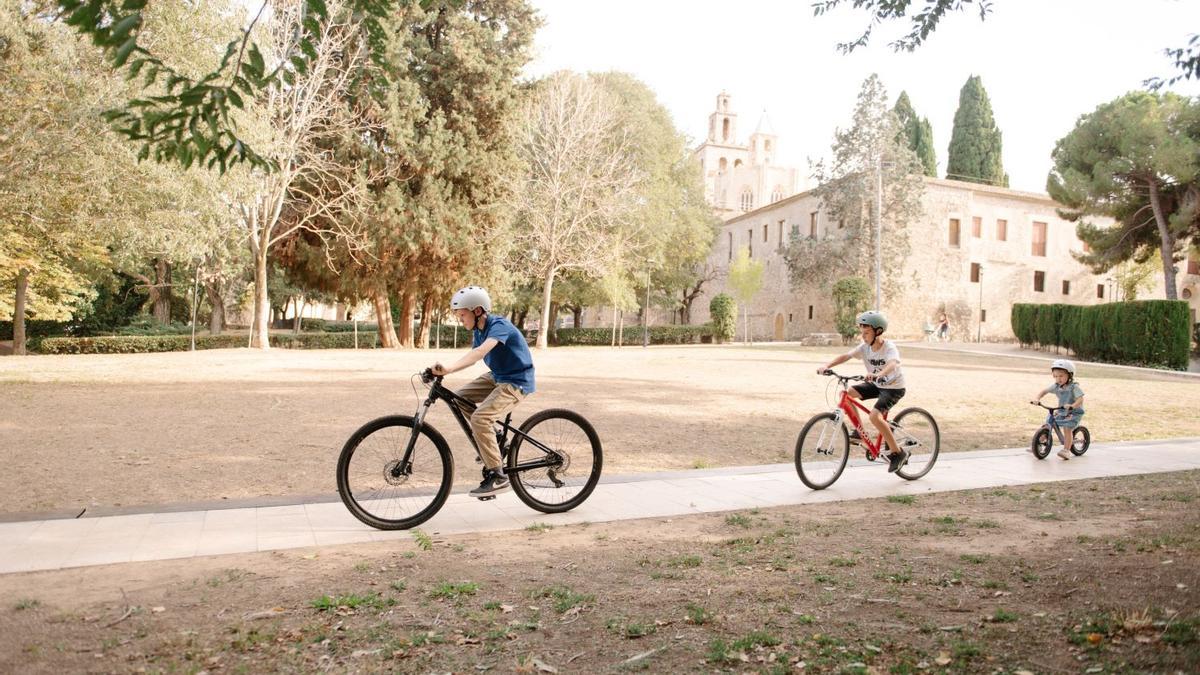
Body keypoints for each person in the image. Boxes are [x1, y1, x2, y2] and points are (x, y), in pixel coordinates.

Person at [431, 286, 535, 497]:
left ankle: (498, 476)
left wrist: (449, 369)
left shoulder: (498, 326)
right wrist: (443, 370)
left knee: (480, 419)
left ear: (477, 311)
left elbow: (479, 353)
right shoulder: (479, 330)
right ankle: (496, 439)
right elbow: (472, 355)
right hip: (498, 376)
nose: (461, 320)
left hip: (516, 381)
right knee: (459, 397)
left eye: (462, 315)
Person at [815, 311, 910, 473]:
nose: (863, 336)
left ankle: (898, 453)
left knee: (875, 416)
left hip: (894, 387)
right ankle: (860, 432)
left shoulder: (889, 347)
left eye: (866, 333)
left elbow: (893, 364)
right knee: (847, 394)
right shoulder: (865, 347)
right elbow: (846, 356)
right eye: (862, 332)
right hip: (876, 384)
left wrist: (878, 374)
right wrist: (827, 366)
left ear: (878, 332)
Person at [1030, 359, 1085, 460]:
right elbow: (1044, 391)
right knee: (1048, 423)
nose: (1058, 379)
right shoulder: (1056, 386)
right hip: (1062, 410)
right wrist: (1037, 399)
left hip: (1074, 411)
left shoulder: (1074, 387)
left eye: (1061, 376)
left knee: (1067, 428)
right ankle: (1038, 443)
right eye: (1055, 376)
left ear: (1070, 375)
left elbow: (1080, 399)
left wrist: (1072, 405)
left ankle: (1066, 450)